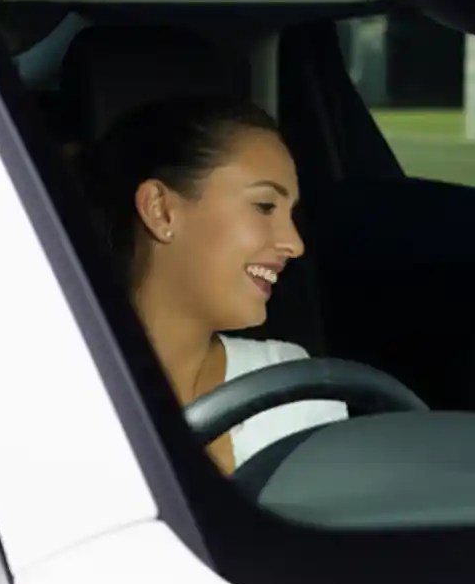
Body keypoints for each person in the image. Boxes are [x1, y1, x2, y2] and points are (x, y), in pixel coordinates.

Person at [81, 97, 346, 474]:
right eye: (265, 206)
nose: (295, 243)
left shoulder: (292, 386)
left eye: (290, 215)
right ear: (161, 210)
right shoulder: (53, 392)